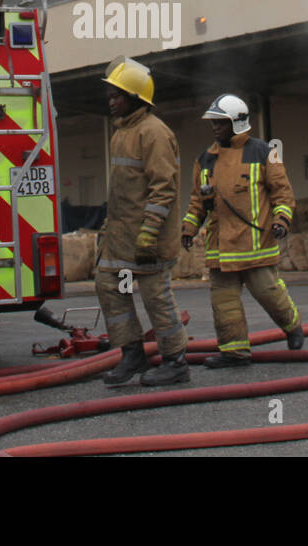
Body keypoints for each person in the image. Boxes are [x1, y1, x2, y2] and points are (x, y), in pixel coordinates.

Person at [182, 94, 304, 368]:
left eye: (221, 123)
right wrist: (189, 227)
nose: (215, 128)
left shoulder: (263, 152)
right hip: (220, 247)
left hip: (255, 243)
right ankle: (234, 352)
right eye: (213, 123)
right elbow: (196, 201)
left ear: (237, 124)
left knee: (269, 292)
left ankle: (293, 326)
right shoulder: (204, 160)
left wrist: (281, 221)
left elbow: (282, 193)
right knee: (224, 303)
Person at [96, 56, 190, 387]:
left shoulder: (154, 133)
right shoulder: (122, 132)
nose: (111, 101)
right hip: (121, 238)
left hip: (148, 240)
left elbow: (163, 189)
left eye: (117, 96)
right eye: (110, 95)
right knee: (109, 285)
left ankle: (176, 361)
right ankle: (132, 354)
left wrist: (149, 233)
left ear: (135, 98)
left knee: (156, 298)